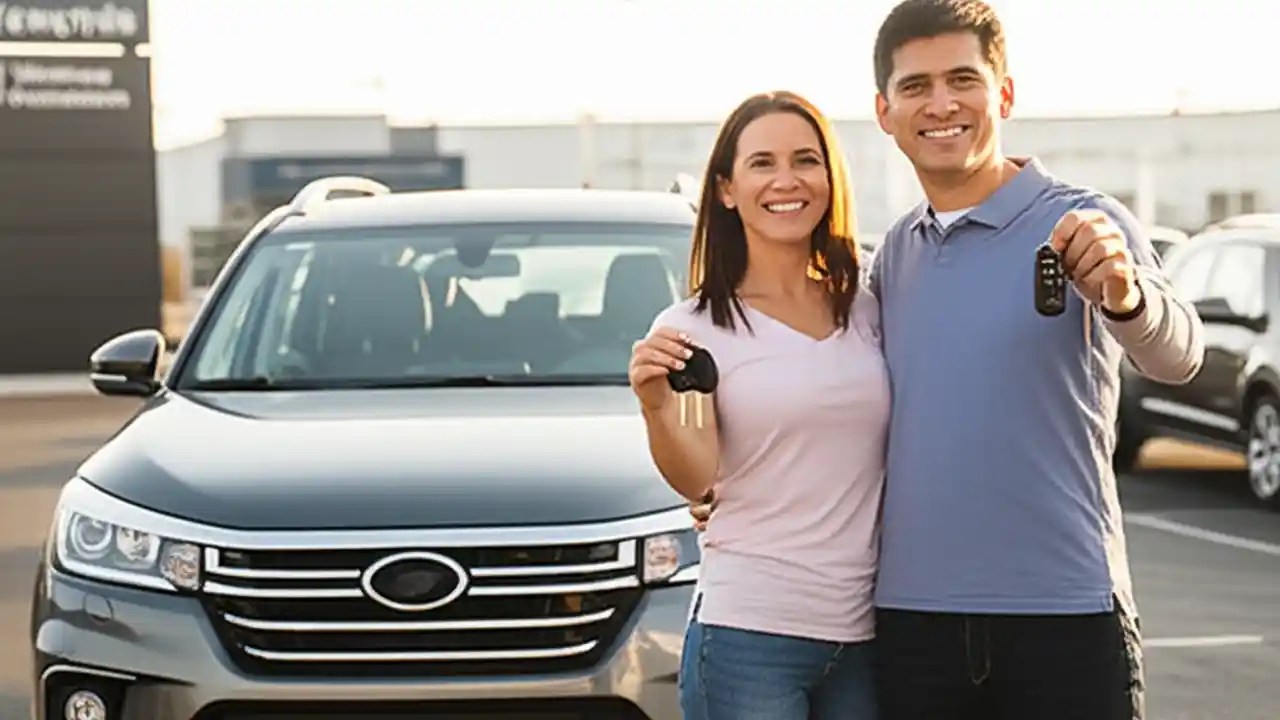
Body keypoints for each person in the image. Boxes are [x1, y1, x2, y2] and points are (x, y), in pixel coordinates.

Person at [691, 1, 1205, 718]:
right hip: (910, 626)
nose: (941, 105)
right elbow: (830, 406)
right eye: (916, 86)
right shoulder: (893, 259)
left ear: (1005, 93)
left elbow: (1177, 356)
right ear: (885, 110)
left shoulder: (1085, 221)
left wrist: (1124, 296)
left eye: (962, 79)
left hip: (1065, 614)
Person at [628, 90, 885, 720]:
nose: (787, 180)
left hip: (868, 637)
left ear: (830, 177)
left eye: (806, 160)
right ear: (726, 188)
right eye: (762, 163)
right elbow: (696, 476)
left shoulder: (870, 306)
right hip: (749, 638)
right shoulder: (695, 328)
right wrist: (656, 408)